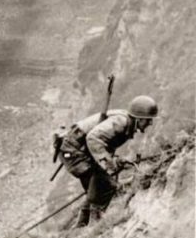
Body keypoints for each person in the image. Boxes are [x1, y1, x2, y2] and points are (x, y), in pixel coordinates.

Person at [57, 95, 158, 226]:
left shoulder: (125, 122)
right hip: (74, 152)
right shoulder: (121, 122)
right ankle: (93, 223)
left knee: (97, 186)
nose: (150, 123)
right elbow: (93, 139)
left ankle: (82, 225)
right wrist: (110, 165)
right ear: (138, 118)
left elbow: (104, 144)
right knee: (104, 185)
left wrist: (115, 160)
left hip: (80, 150)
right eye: (148, 120)